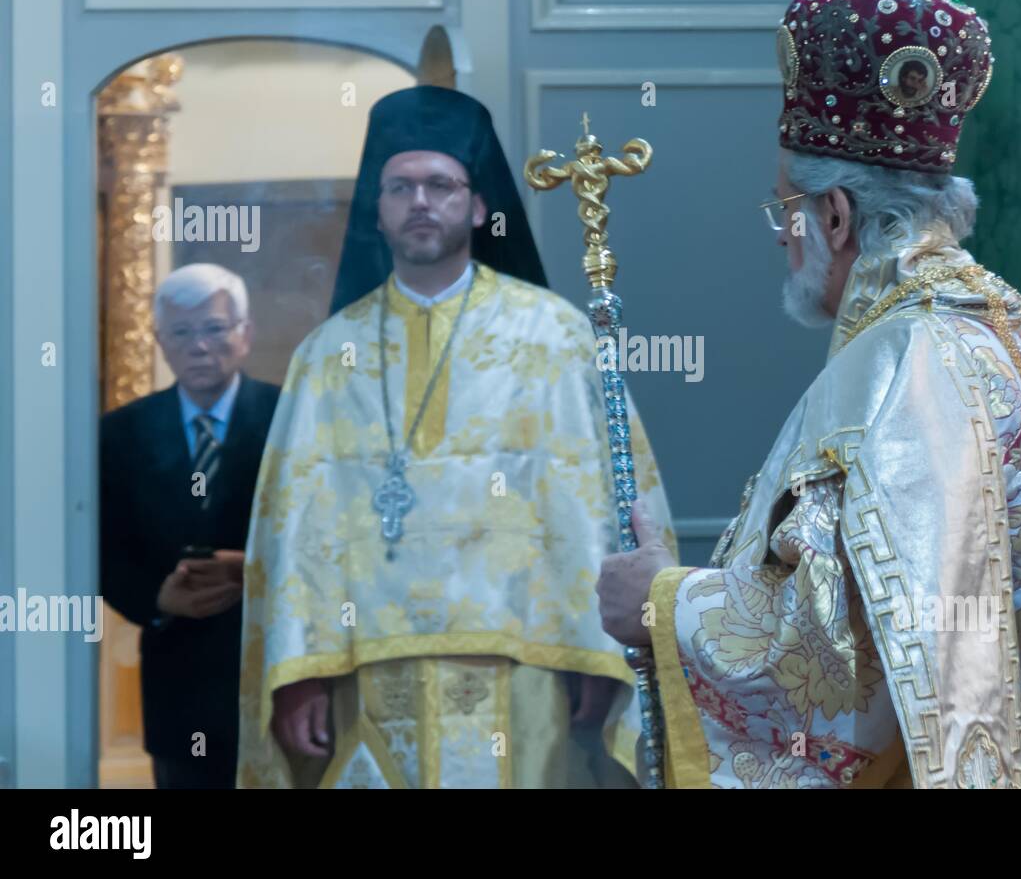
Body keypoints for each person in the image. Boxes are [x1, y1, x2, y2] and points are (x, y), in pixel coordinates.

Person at [597, 0, 1021, 789]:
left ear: (835, 218)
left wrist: (661, 603)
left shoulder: (904, 365)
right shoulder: (1000, 333)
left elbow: (844, 650)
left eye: (784, 210)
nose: (780, 237)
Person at [237, 85, 674, 788]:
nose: (419, 201)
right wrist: (295, 675)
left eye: (440, 185)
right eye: (400, 186)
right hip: (367, 673)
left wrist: (603, 649)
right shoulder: (327, 355)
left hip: (529, 668)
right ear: (375, 209)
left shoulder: (554, 334)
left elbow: (602, 503)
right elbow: (294, 529)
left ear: (476, 204)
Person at [100, 263, 279, 788]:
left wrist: (260, 571)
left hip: (279, 677)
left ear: (244, 335)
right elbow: (102, 549)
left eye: (215, 328)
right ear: (160, 341)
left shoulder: (294, 417)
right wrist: (156, 598)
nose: (199, 346)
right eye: (182, 332)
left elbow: (332, 535)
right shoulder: (119, 435)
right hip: (179, 682)